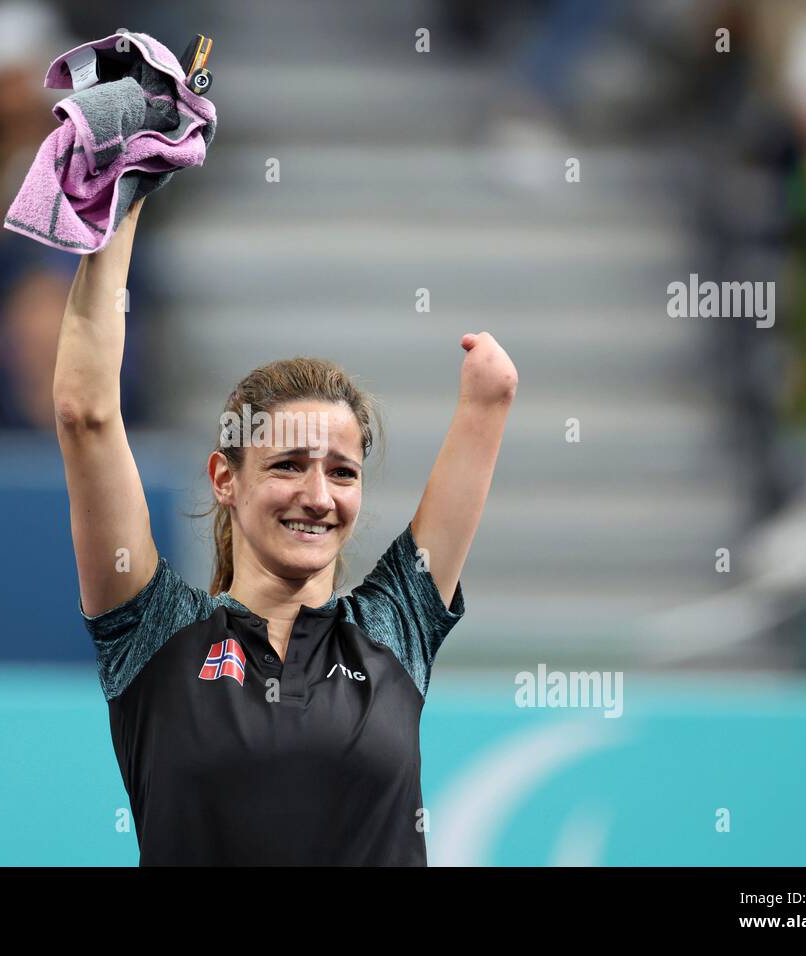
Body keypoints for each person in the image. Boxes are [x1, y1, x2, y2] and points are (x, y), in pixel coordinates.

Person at [52, 197, 517, 865]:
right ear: (224, 479)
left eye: (343, 472)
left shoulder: (395, 626)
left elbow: (492, 396)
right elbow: (84, 413)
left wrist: (491, 384)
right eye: (288, 466)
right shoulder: (154, 634)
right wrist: (123, 199)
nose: (318, 497)